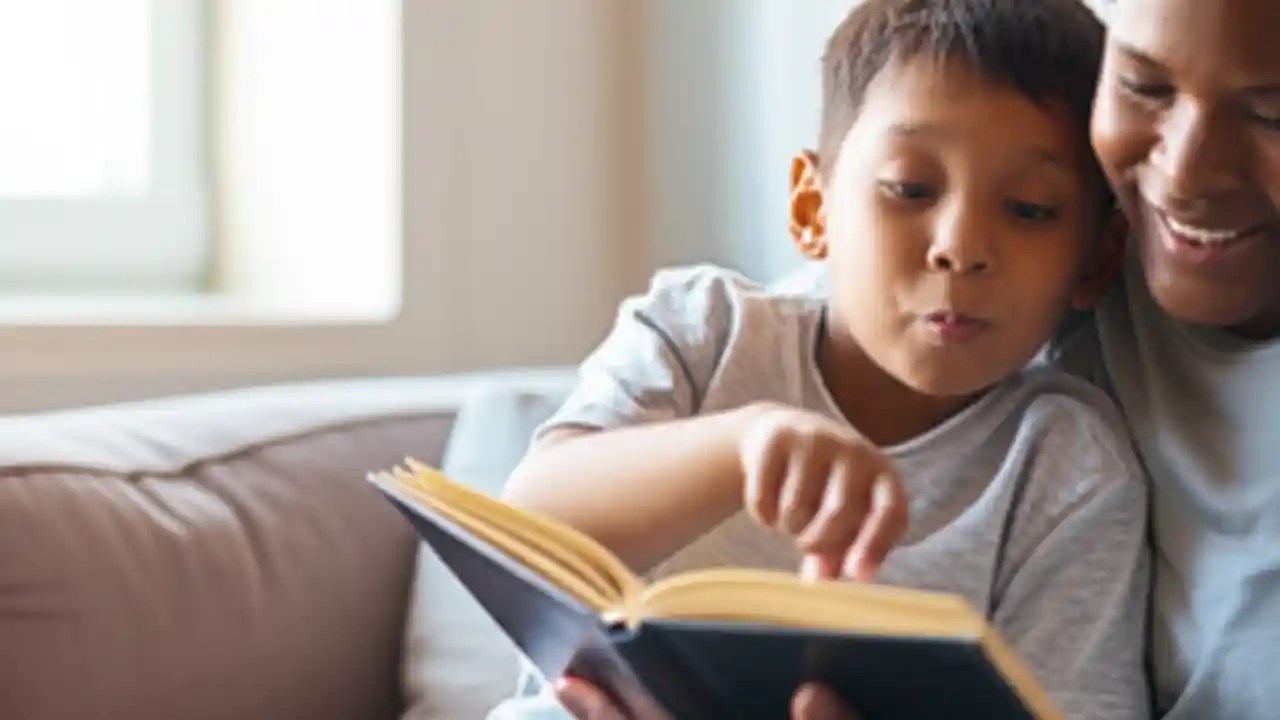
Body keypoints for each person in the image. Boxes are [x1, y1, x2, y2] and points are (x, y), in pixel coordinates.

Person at [491, 0, 1150, 718]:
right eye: (910, 189)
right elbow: (524, 526)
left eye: (1028, 208)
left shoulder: (1067, 466)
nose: (961, 247)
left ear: (1096, 260)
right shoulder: (701, 330)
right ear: (814, 209)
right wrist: (742, 446)